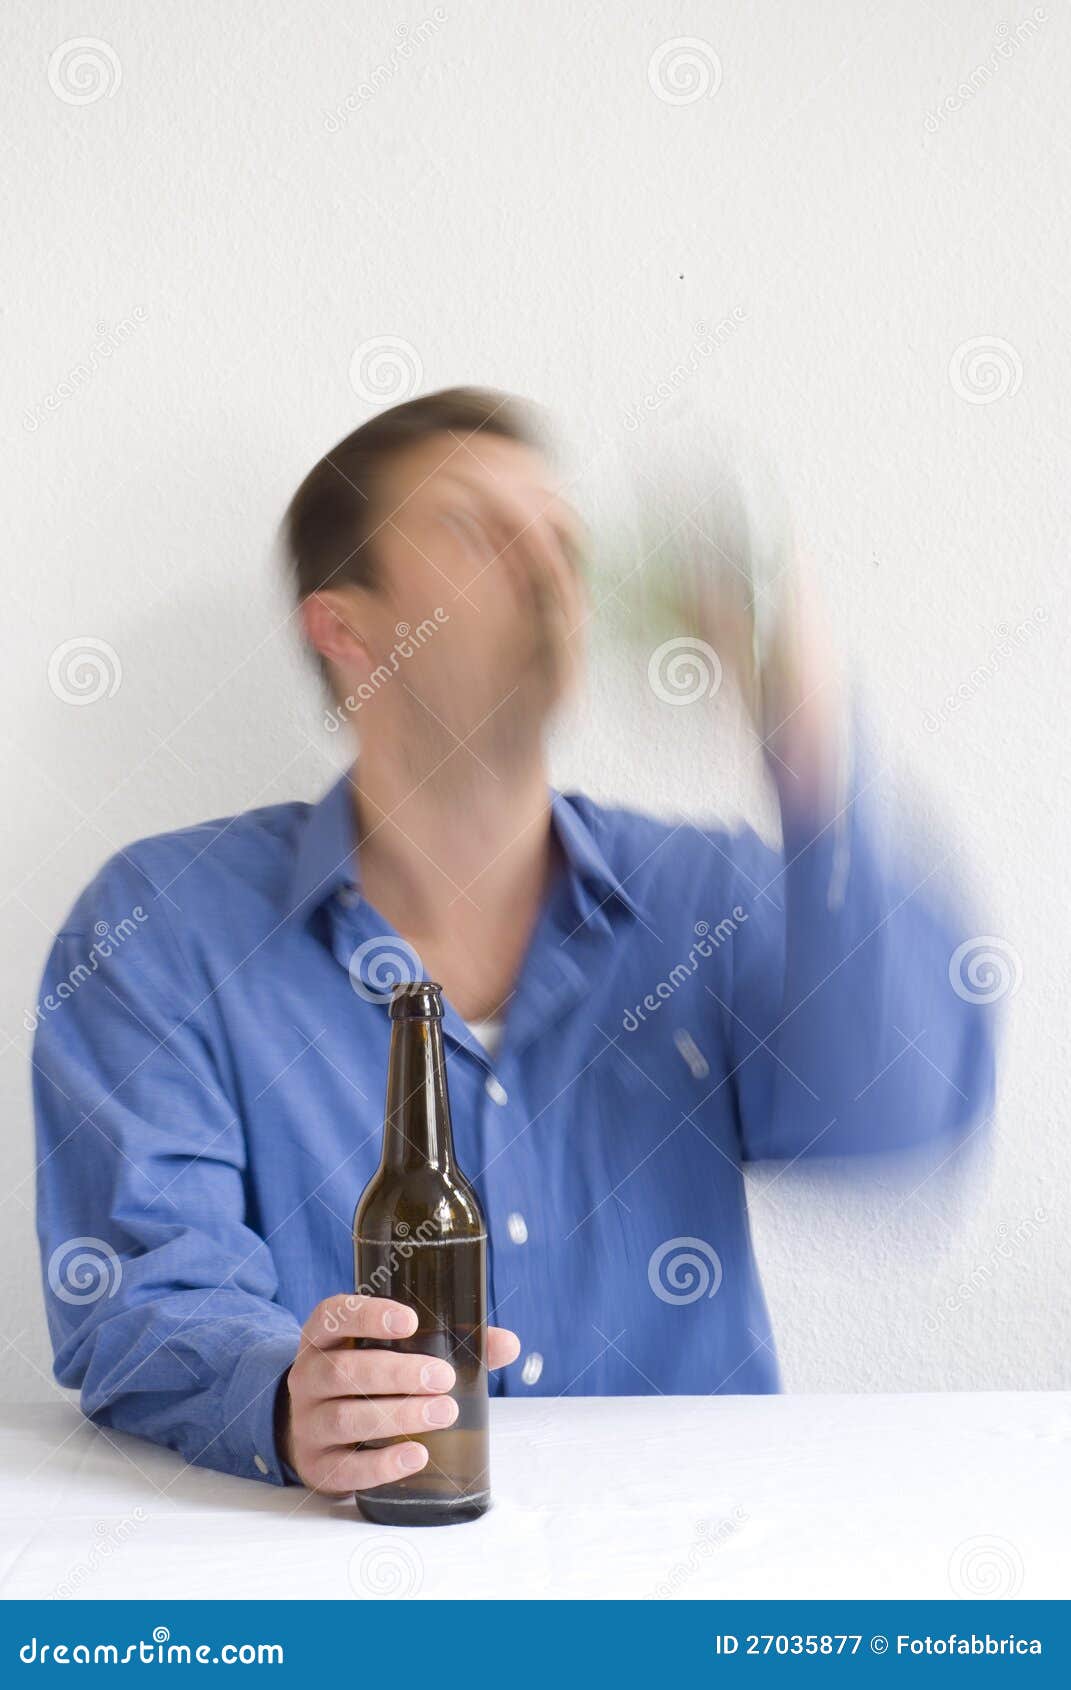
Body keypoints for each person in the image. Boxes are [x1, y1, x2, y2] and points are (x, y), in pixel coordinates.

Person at [33, 388, 995, 1495]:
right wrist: (290, 1399)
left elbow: (896, 1117)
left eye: (560, 531)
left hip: (687, 1600)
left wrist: (808, 738)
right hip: (347, 1590)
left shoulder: (707, 898)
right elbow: (141, 1294)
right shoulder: (163, 928)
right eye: (474, 528)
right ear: (347, 632)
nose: (547, 563)